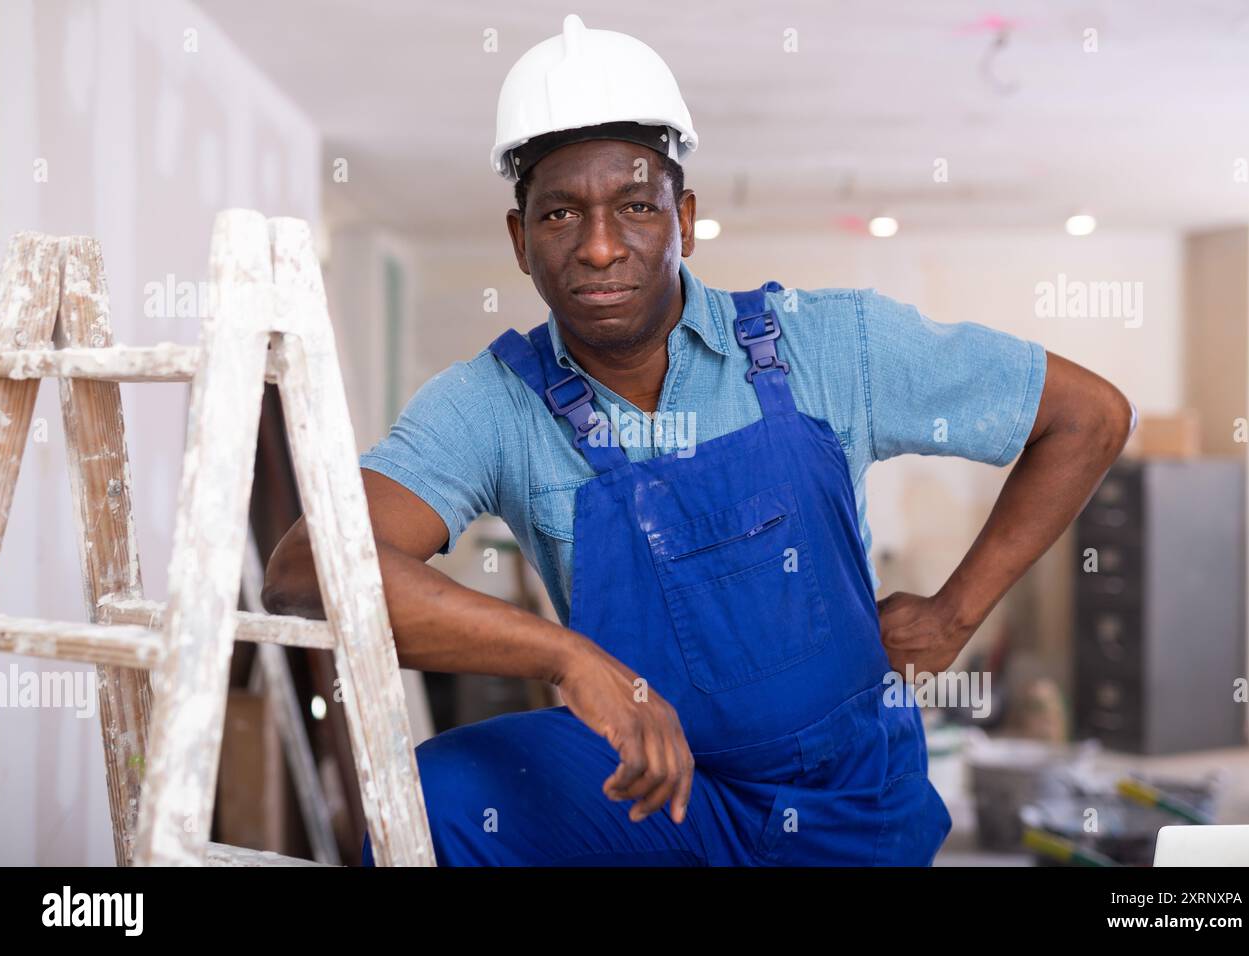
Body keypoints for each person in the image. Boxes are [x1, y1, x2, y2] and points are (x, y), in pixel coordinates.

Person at [263, 14, 1135, 866]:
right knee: (442, 799)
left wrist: (954, 614)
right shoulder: (492, 404)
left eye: (635, 206)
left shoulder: (828, 345)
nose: (600, 247)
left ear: (684, 217)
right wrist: (568, 658)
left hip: (850, 807)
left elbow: (1087, 415)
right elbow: (308, 571)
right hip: (658, 800)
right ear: (519, 241)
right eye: (561, 214)